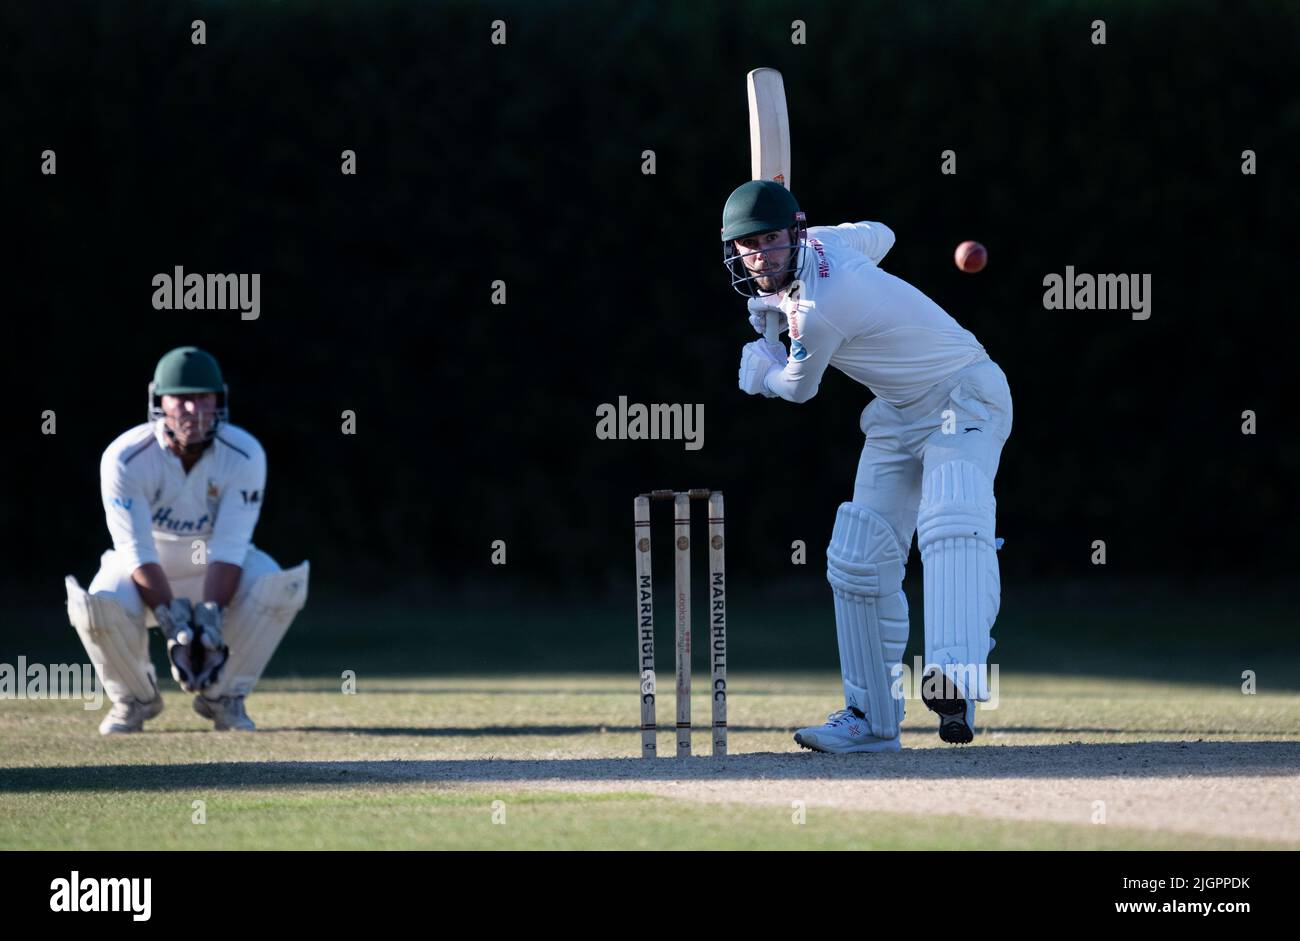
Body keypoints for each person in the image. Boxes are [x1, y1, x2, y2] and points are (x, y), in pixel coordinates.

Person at [724, 180, 1013, 751]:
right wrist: (795, 281)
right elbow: (882, 234)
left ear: (795, 233)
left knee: (952, 516)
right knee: (858, 557)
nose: (760, 256)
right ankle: (870, 719)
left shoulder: (817, 309)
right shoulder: (825, 250)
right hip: (898, 412)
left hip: (964, 395)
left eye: (772, 241)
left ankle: (955, 676)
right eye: (748, 245)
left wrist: (762, 369)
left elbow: (799, 388)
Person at [65, 346, 309, 734]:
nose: (194, 411)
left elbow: (230, 547)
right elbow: (136, 551)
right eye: (183, 399)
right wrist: (172, 622)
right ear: (159, 400)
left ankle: (224, 697)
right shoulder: (125, 458)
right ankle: (134, 699)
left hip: (213, 572)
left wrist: (208, 624)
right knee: (96, 604)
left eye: (204, 398)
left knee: (279, 586)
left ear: (219, 400)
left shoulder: (244, 454)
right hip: (146, 573)